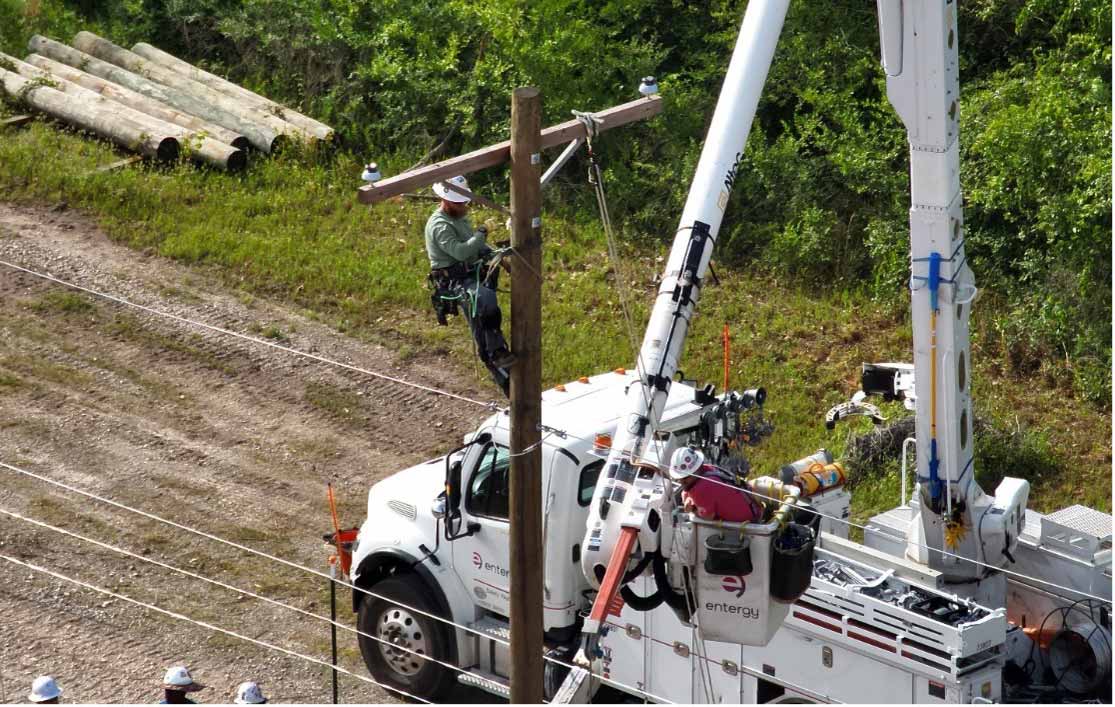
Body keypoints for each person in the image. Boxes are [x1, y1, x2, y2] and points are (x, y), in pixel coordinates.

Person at [425, 175, 515, 396]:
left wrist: (498, 257)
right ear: (445, 201)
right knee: (484, 299)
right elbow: (462, 251)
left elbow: (477, 247)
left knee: (486, 309)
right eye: (459, 202)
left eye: (464, 202)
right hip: (454, 280)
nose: (464, 206)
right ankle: (495, 354)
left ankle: (496, 350)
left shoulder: (460, 217)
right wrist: (482, 233)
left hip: (471, 274)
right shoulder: (440, 225)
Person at [669, 447, 763, 523]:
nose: (681, 482)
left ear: (696, 471)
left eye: (685, 478)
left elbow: (707, 517)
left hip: (748, 523)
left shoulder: (702, 488)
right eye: (679, 478)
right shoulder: (707, 469)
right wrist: (688, 498)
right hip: (753, 510)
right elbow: (687, 490)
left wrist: (693, 509)